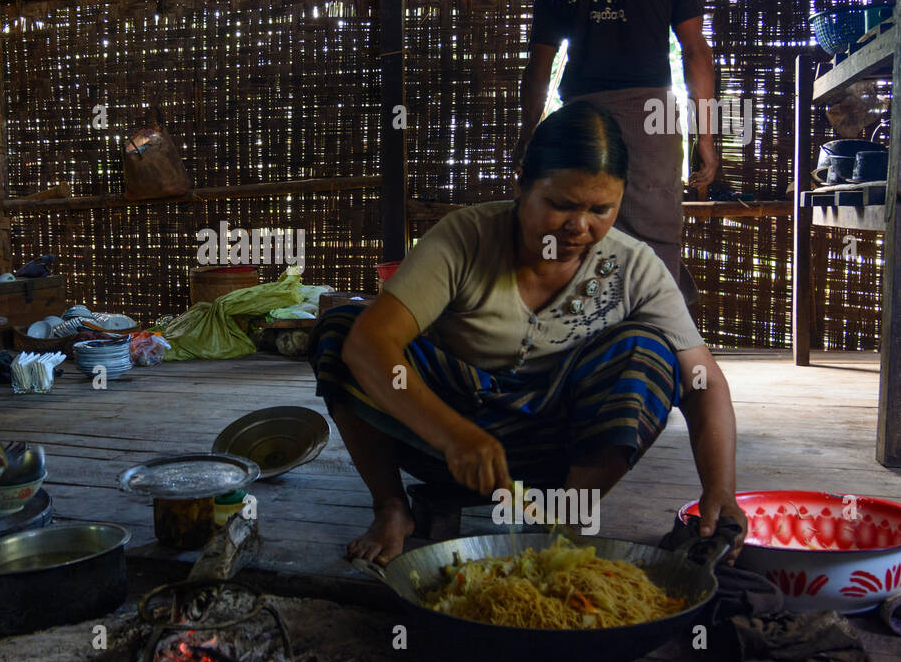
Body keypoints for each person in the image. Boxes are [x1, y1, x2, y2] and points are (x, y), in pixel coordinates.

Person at [310, 101, 747, 565]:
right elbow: (370, 343)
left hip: (557, 450)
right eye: (560, 205)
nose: (580, 227)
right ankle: (392, 508)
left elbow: (705, 383)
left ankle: (564, 521)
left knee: (649, 352)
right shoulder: (466, 239)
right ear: (521, 182)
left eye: (602, 209)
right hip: (439, 444)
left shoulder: (634, 266)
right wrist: (453, 434)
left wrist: (719, 489)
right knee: (343, 332)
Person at [516, 0, 717, 301]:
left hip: (581, 119)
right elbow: (695, 54)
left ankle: (586, 346)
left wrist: (529, 132)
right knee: (656, 236)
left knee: (581, 234)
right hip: (652, 115)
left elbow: (539, 66)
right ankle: (657, 347)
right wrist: (707, 136)